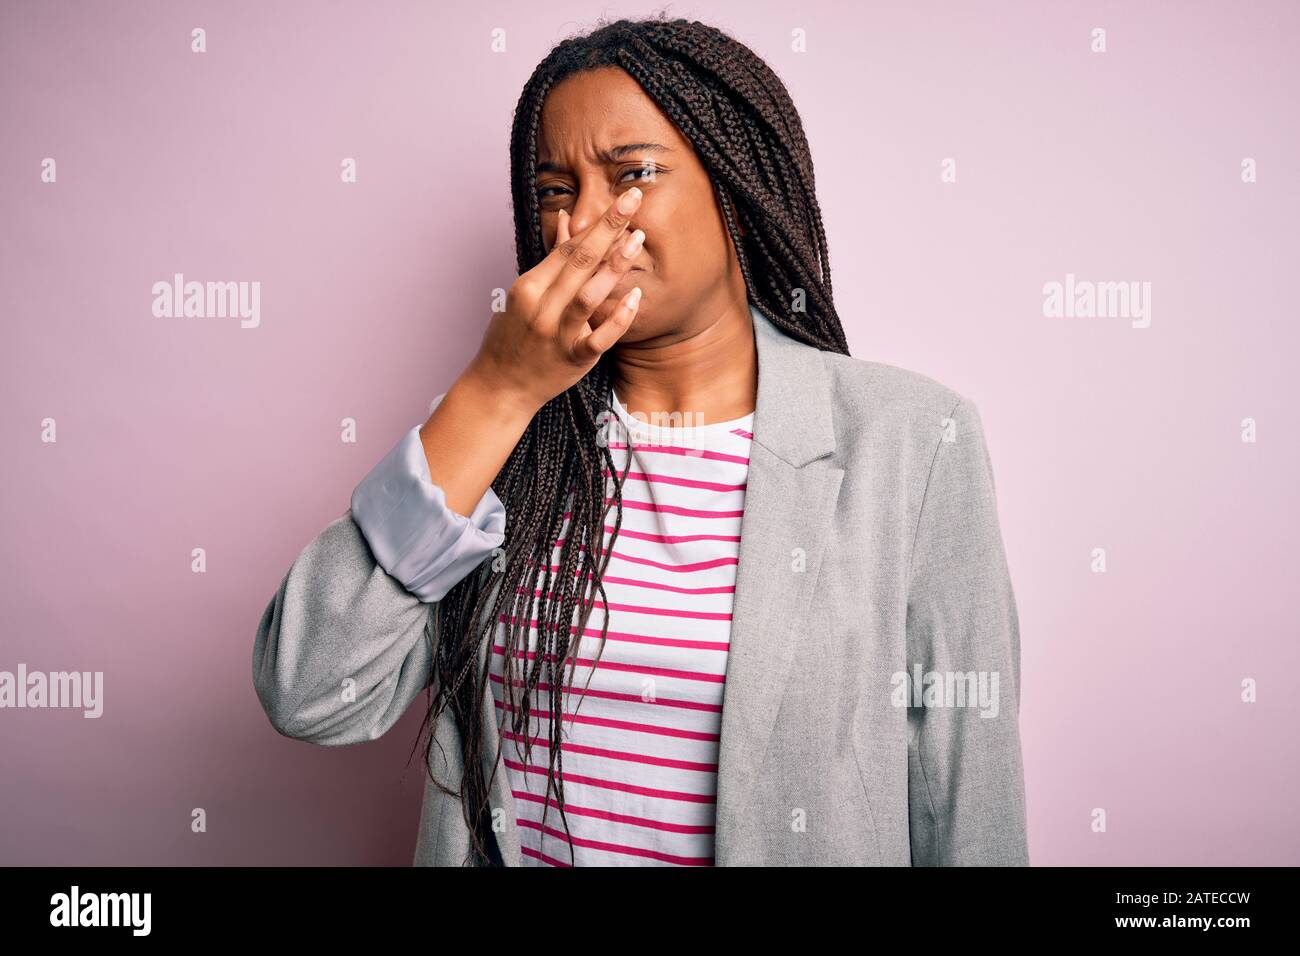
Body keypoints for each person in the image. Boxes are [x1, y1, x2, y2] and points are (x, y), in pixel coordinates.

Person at [253, 15, 1029, 867]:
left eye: (633, 175)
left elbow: (967, 798)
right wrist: (496, 391)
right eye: (554, 190)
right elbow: (312, 693)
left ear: (734, 187)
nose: (582, 223)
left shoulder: (913, 443)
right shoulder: (496, 431)